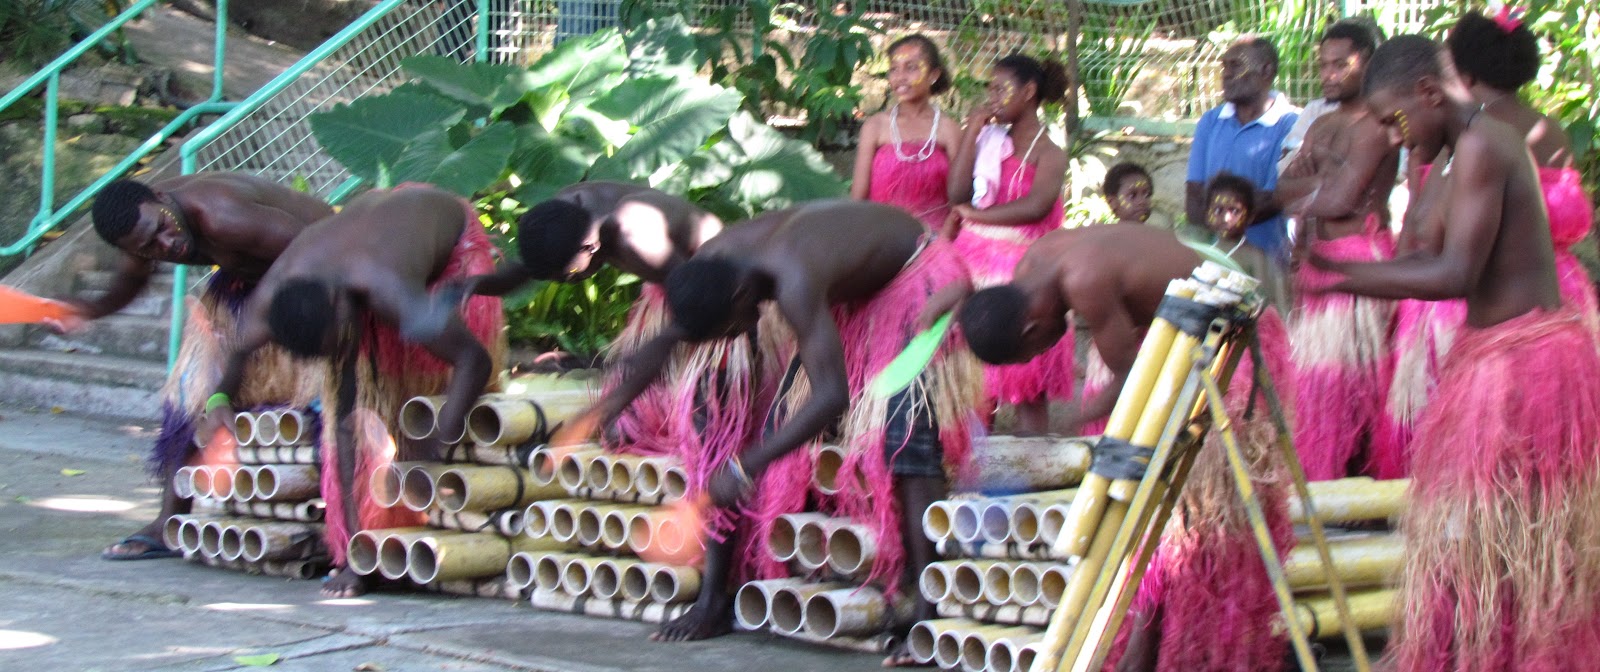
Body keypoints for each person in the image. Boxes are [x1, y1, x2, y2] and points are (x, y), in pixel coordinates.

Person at [570, 201, 981, 655]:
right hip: (852, 292)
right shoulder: (711, 267)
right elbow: (671, 338)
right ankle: (718, 597)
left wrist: (747, 466)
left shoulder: (795, 280)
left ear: (740, 299)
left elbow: (831, 395)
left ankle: (927, 612)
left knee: (903, 436)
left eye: (730, 330)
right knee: (743, 416)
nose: (733, 338)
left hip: (916, 279)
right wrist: (600, 413)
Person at [1315, 35, 1600, 671]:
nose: (1391, 137)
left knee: (1511, 539)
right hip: (1520, 356)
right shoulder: (1478, 143)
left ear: (1428, 93)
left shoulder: (1481, 144)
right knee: (1500, 541)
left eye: (1393, 119)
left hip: (1526, 369)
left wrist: (1345, 275)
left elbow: (1453, 273)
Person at [950, 223, 1297, 671]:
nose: (1042, 356)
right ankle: (1146, 640)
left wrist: (1069, 421)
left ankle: (1203, 645)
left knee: (1201, 516)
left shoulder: (1084, 281)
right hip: (1181, 334)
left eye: (1031, 352)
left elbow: (1135, 380)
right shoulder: (1034, 263)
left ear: (1032, 326)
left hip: (1229, 336)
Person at [199, 184, 505, 597]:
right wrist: (219, 399)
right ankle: (359, 549)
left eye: (341, 337)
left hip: (443, 239)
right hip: (373, 237)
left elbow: (474, 361)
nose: (344, 351)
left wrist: (434, 443)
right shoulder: (271, 303)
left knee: (428, 391)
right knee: (344, 420)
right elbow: (238, 350)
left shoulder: (386, 286)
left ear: (340, 303)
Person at [428, 182, 765, 510]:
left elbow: (699, 312)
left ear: (589, 246)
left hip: (724, 304)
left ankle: (713, 516)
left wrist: (610, 400)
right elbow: (533, 268)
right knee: (626, 423)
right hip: (681, 295)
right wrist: (471, 286)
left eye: (569, 275)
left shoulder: (636, 238)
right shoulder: (565, 218)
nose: (564, 282)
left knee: (698, 426)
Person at [69, 173, 333, 562]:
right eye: (150, 247)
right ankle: (168, 523)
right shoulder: (141, 227)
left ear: (162, 197)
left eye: (163, 229)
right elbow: (131, 282)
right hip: (246, 281)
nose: (167, 244)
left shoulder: (225, 216)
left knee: (327, 401)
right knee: (188, 391)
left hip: (318, 277)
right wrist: (84, 311)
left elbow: (319, 254)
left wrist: (244, 349)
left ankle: (344, 524)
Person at [1271, 19, 1403, 481]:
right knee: (1322, 387)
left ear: (1367, 61)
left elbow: (1340, 200)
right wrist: (1320, 179)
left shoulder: (1379, 124)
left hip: (1358, 264)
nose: (1327, 74)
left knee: (1358, 385)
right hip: (1317, 265)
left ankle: (1361, 493)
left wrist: (1313, 180)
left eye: (1339, 64)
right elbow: (1286, 189)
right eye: (1323, 64)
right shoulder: (1322, 122)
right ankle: (1333, 490)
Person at [944, 53, 1072, 434]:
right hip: (972, 262)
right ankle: (970, 464)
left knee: (1026, 382)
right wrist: (971, 132)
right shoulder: (988, 139)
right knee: (971, 380)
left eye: (1002, 89)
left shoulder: (1051, 153)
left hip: (1022, 274)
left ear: (1030, 92)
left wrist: (975, 216)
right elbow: (956, 192)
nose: (992, 96)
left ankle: (1035, 469)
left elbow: (1035, 207)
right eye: (990, 88)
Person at [1185, 36, 1300, 264]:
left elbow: (1273, 199)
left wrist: (1219, 216)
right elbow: (1194, 193)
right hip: (1211, 258)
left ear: (1266, 71)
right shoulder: (1211, 120)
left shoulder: (1290, 124)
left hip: (1265, 262)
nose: (1225, 74)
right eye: (1224, 66)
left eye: (1236, 66)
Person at [850, 34, 962, 229]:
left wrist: (942, 242)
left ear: (933, 75)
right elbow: (858, 196)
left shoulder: (948, 129)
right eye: (894, 69)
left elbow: (960, 197)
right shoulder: (875, 126)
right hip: (881, 238)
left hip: (937, 239)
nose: (900, 77)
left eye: (911, 68)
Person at [1102, 162, 1154, 226]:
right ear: (1112, 202)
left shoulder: (1158, 234)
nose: (1142, 201)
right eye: (1132, 195)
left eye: (1147, 195)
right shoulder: (1107, 235)